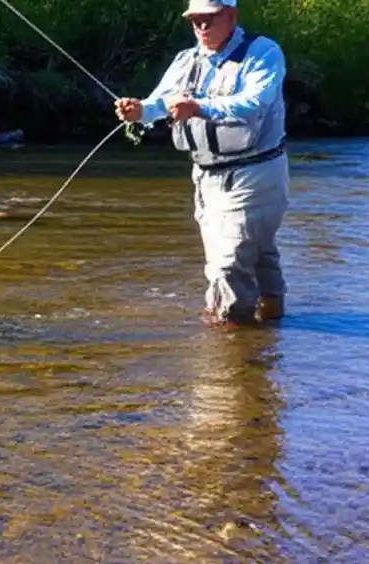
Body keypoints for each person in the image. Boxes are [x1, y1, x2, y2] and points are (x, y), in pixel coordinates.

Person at [114, 0, 289, 326]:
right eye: (195, 21)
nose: (202, 28)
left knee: (228, 263)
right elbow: (159, 103)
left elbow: (255, 102)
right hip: (207, 177)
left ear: (232, 17)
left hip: (257, 171)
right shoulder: (186, 60)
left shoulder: (263, 52)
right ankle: (270, 335)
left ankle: (228, 342)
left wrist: (199, 107)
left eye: (209, 19)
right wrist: (138, 110)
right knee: (259, 252)